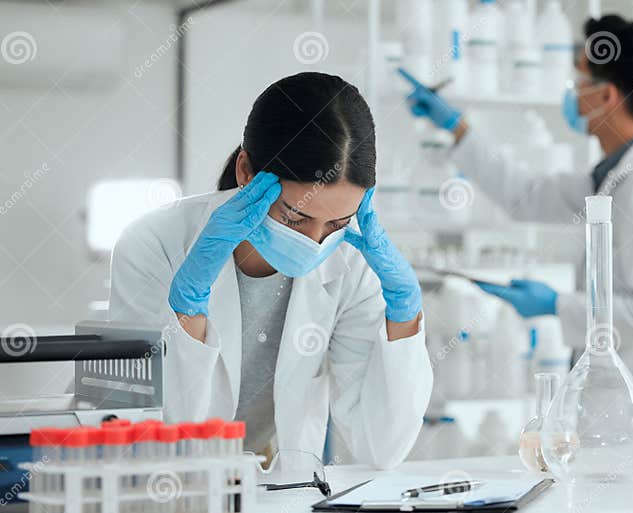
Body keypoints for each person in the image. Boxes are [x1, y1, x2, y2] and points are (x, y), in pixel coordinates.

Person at [108, 72, 432, 469]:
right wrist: (188, 309)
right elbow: (153, 436)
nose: (315, 242)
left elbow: (381, 447)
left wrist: (404, 316)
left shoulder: (352, 263)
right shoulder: (154, 241)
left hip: (276, 483)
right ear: (246, 172)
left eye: (337, 223)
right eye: (295, 217)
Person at [400, 15, 633, 414]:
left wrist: (557, 304)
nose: (571, 92)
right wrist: (457, 127)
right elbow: (526, 195)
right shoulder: (614, 176)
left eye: (579, 81)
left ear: (607, 96)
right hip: (618, 400)